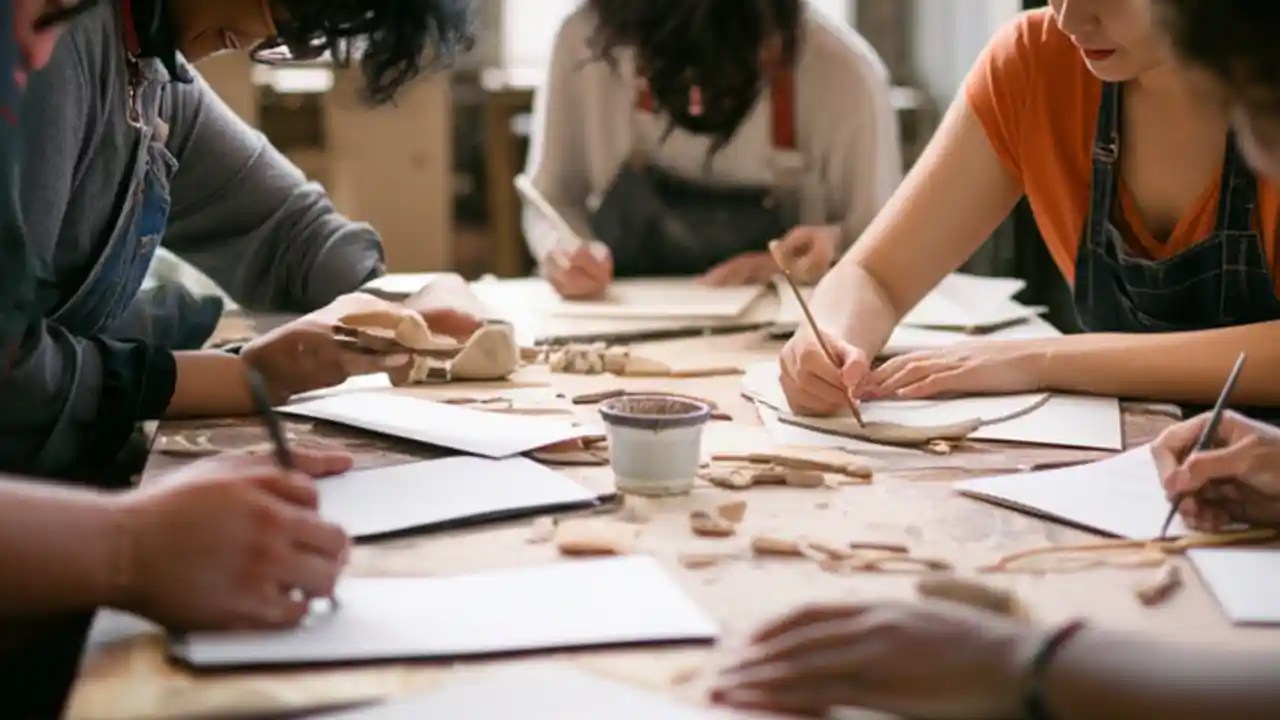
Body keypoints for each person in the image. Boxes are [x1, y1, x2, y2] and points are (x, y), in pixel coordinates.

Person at [3, 0, 480, 479]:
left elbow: (290, 231)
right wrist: (244, 378)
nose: (260, 35)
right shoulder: (59, 35)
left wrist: (392, 306)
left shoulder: (151, 67)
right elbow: (12, 374)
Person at [779, 0, 1280, 418]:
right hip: (1139, 478)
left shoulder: (1265, 85)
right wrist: (829, 337)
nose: (1068, 17)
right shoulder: (1038, 64)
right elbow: (873, 274)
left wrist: (1043, 359)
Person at [522, 0, 901, 298]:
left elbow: (886, 257)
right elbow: (550, 199)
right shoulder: (588, 45)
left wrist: (825, 262)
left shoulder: (845, 76)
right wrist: (563, 250)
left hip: (781, 355)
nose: (697, 96)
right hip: (612, 339)